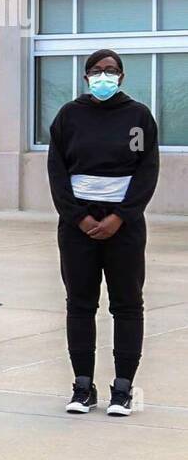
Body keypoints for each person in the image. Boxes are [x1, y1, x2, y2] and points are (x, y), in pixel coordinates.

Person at [48, 49, 159, 416]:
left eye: (111, 71)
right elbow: (57, 172)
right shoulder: (70, 116)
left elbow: (146, 170)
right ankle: (82, 386)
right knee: (80, 304)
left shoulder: (137, 117)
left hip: (123, 225)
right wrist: (78, 217)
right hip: (77, 224)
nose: (103, 76)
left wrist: (121, 216)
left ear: (122, 77)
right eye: (96, 71)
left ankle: (123, 388)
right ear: (85, 77)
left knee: (127, 303)